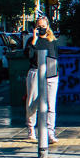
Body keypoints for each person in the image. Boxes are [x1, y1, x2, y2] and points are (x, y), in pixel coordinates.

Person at [24, 15, 59, 144]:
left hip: (51, 74)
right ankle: (31, 128)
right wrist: (34, 39)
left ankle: (50, 132)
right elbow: (28, 55)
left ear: (48, 26)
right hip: (36, 71)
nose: (42, 29)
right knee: (33, 102)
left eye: (44, 26)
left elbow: (55, 57)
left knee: (51, 105)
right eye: (39, 26)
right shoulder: (32, 41)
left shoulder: (52, 41)